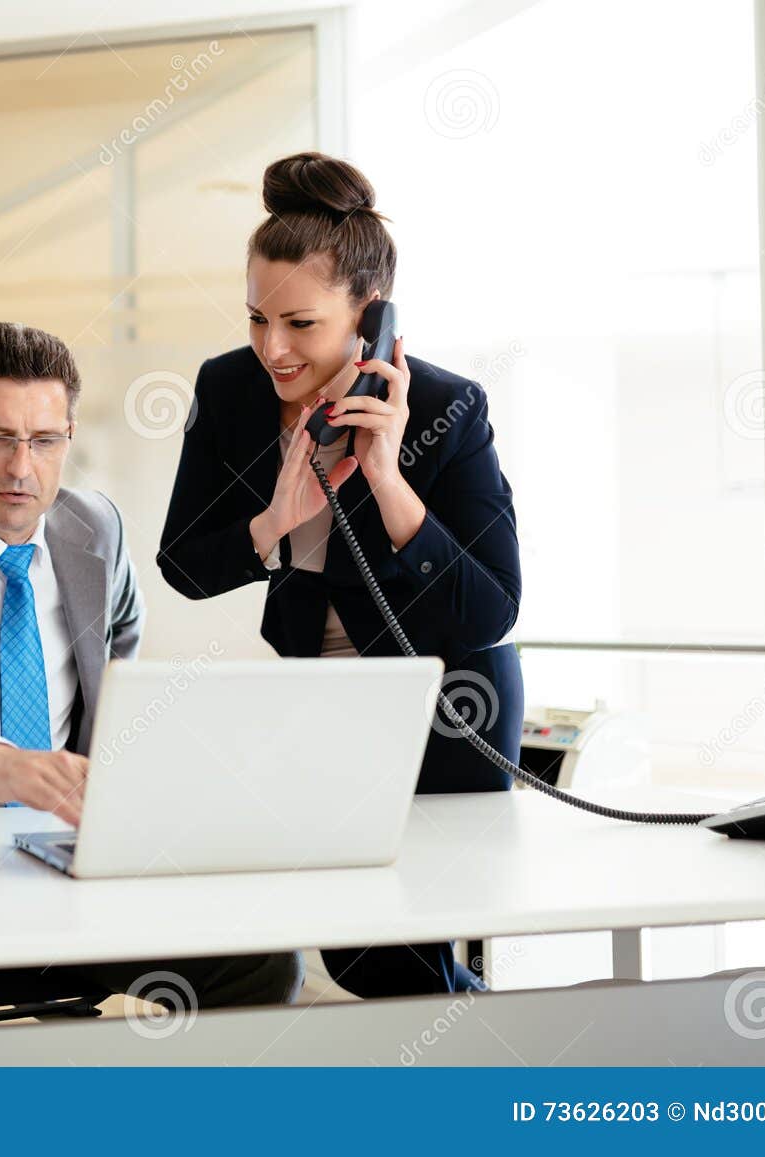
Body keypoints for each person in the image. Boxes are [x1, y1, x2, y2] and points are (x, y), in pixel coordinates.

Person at [0, 321, 304, 1029]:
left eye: (44, 441)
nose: (21, 467)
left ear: (68, 439)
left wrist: (120, 770)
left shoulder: (94, 529)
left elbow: (124, 636)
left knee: (261, 958)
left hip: (61, 853)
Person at [157, 151, 524, 998]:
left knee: (402, 952)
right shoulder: (231, 391)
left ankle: (495, 1079)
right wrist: (272, 523)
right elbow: (182, 564)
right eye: (256, 318)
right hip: (320, 703)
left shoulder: (446, 408)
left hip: (448, 704)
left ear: (371, 316)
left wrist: (389, 476)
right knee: (354, 949)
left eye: (301, 324)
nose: (272, 349)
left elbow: (491, 608)